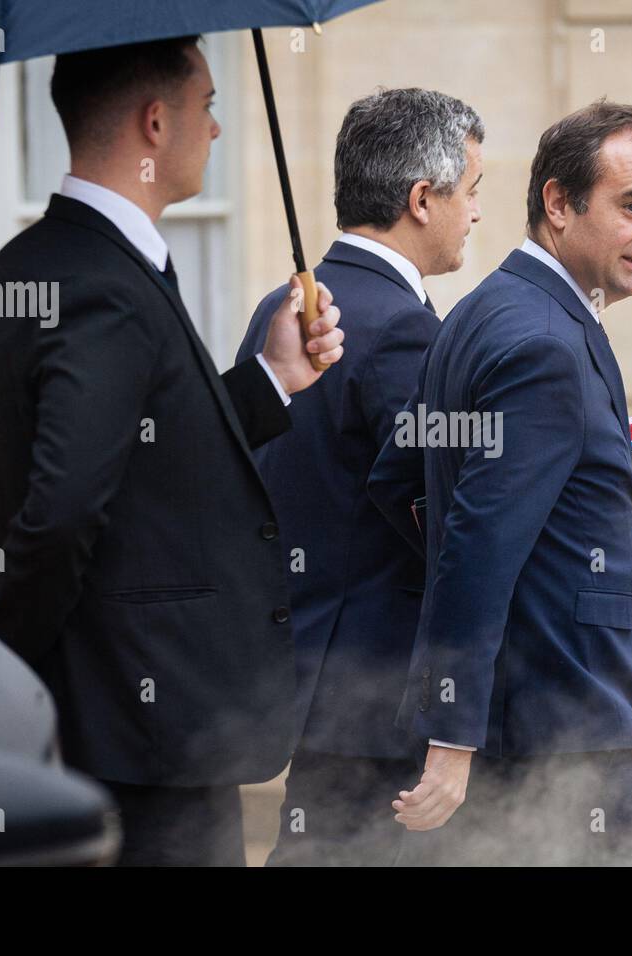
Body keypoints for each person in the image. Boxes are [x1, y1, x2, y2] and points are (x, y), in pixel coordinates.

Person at [0, 36, 343, 866]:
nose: (214, 130)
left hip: (116, 730)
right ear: (156, 122)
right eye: (205, 107)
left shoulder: (24, 268)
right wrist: (9, 663)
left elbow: (148, 460)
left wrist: (272, 375)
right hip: (140, 741)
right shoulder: (102, 285)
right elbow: (61, 511)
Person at [369, 100, 632, 866]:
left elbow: (396, 481)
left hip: (535, 738)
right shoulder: (542, 340)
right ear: (558, 203)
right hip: (577, 742)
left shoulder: (484, 313)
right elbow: (477, 543)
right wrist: (453, 734)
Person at [236, 88, 483, 865]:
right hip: (382, 694)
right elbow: (443, 516)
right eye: (470, 191)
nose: (476, 212)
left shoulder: (282, 309)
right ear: (422, 198)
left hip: (312, 676)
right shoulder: (407, 328)